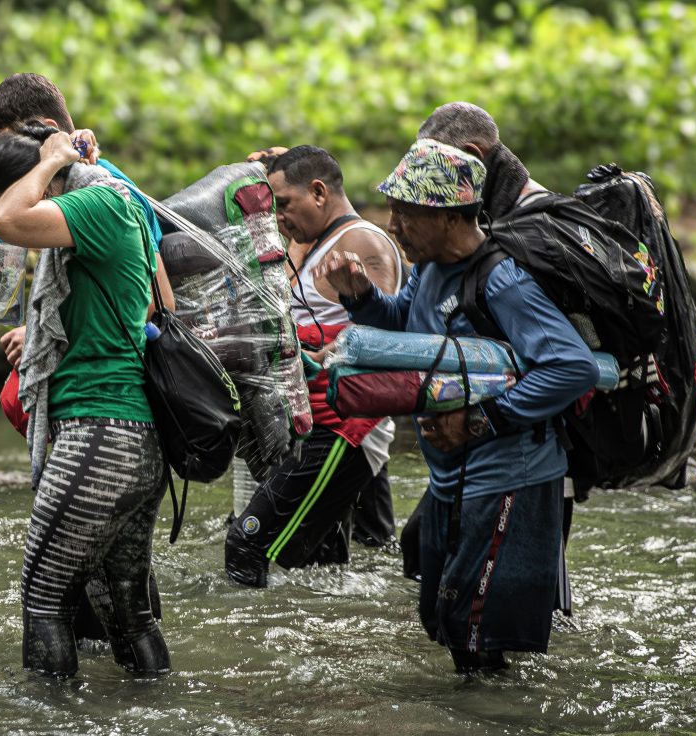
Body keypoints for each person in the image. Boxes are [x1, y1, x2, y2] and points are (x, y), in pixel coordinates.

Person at [319, 139, 598, 673]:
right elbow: (407, 325)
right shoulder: (429, 268)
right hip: (454, 479)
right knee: (446, 623)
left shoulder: (503, 280)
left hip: (509, 478)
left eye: (406, 213)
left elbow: (572, 368)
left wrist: (478, 421)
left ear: (449, 217)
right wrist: (359, 296)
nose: (392, 226)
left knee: (477, 638)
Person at [0, 122, 168, 677]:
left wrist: (45, 162)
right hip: (132, 439)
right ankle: (159, 715)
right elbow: (152, 306)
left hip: (100, 432)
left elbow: (4, 219)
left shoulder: (96, 202)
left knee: (43, 596)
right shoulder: (116, 201)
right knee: (128, 614)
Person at [226, 145, 404, 586]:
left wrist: (320, 356)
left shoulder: (360, 241)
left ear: (319, 192)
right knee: (316, 573)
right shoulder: (311, 242)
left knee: (248, 544)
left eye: (284, 204)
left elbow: (386, 336)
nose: (279, 215)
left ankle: (254, 647)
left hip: (344, 427)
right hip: (310, 424)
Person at [0, 71, 172, 368]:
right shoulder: (62, 194)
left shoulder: (108, 194)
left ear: (47, 131)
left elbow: (160, 304)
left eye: (11, 145)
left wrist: (39, 333)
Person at [414, 101, 549, 222]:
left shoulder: (534, 220)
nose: (430, 178)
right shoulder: (504, 212)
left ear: (472, 155)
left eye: (436, 165)